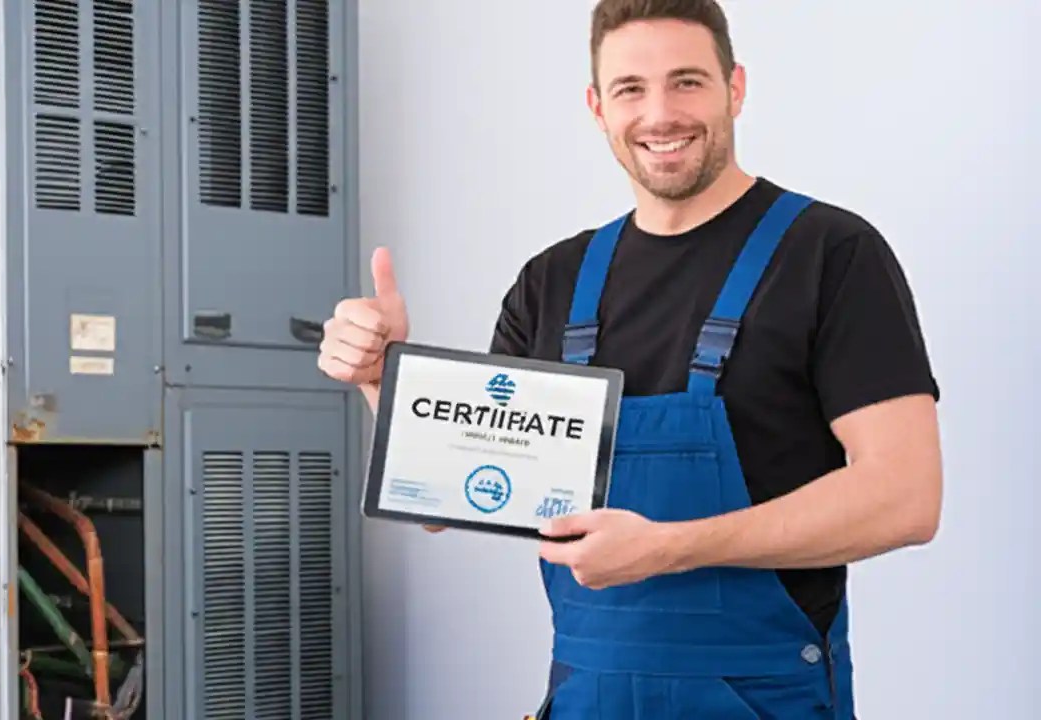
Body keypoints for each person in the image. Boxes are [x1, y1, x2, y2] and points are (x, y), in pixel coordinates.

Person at [317, 0, 943, 717]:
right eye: (630, 89)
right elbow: (452, 497)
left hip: (763, 696)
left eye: (687, 81)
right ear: (597, 106)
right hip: (587, 695)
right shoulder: (552, 280)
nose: (660, 114)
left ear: (735, 88)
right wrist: (383, 379)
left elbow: (905, 499)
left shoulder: (830, 255)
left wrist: (671, 548)